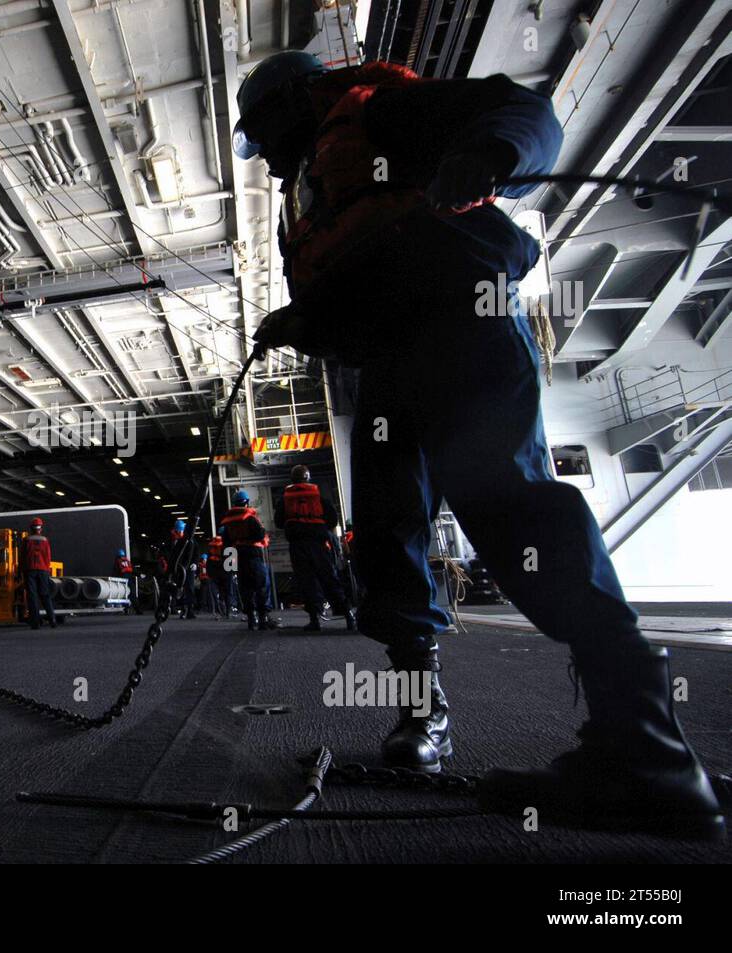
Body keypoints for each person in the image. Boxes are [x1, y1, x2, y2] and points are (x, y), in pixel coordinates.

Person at [238, 50, 722, 837]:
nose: (268, 161)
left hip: (462, 319)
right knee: (387, 536)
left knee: (512, 509)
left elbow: (525, 114)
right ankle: (422, 717)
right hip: (389, 363)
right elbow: (355, 283)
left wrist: (487, 156)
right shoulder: (311, 189)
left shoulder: (377, 114)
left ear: (295, 101)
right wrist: (305, 321)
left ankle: (644, 746)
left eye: (265, 133)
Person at [281, 465, 355, 632]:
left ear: (292, 479)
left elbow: (279, 520)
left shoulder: (286, 498)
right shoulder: (318, 496)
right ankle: (349, 615)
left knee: (307, 582)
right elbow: (332, 519)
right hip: (319, 543)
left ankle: (315, 620)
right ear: (308, 478)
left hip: (298, 545)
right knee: (329, 579)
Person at [219, 490, 278, 630]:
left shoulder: (228, 523)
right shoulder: (250, 518)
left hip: (239, 556)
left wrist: (230, 567)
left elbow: (227, 546)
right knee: (262, 585)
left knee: (245, 589)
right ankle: (263, 618)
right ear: (246, 502)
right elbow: (259, 535)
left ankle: (251, 619)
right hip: (254, 554)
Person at [20, 517, 58, 630]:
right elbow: (48, 556)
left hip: (30, 570)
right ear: (41, 528)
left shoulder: (26, 540)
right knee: (45, 595)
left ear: (31, 528)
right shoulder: (45, 541)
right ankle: (52, 620)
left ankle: (35, 623)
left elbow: (22, 557)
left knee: (32, 596)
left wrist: (20, 570)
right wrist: (47, 570)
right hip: (43, 570)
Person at [113, 548, 137, 613]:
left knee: (124, 594)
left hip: (122, 577)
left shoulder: (118, 561)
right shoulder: (127, 561)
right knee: (132, 592)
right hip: (129, 577)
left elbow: (116, 570)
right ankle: (136, 608)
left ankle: (126, 607)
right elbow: (132, 569)